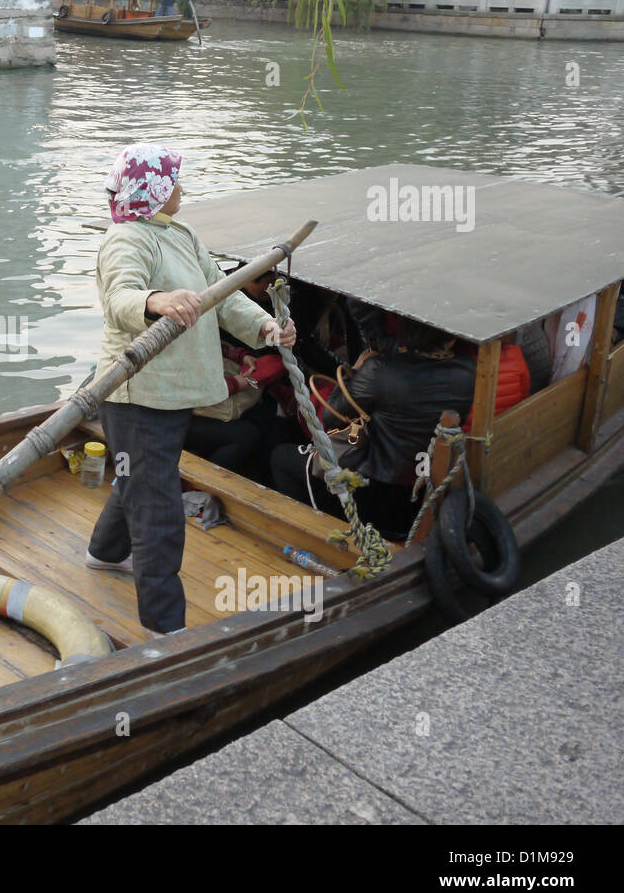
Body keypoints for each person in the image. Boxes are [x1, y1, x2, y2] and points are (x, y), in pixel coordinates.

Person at [84, 144, 296, 637]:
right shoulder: (127, 240)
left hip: (172, 394)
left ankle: (103, 553)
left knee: (140, 478)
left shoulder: (178, 232)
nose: (182, 189)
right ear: (154, 191)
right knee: (158, 508)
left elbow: (221, 294)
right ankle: (166, 631)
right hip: (137, 397)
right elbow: (119, 298)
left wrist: (267, 328)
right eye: (175, 181)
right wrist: (157, 300)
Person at [270, 318, 476, 541]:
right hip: (420, 493)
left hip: (372, 497)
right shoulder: (468, 372)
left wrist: (356, 369)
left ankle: (313, 535)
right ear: (452, 336)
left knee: (281, 458)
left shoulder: (379, 370)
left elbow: (331, 417)